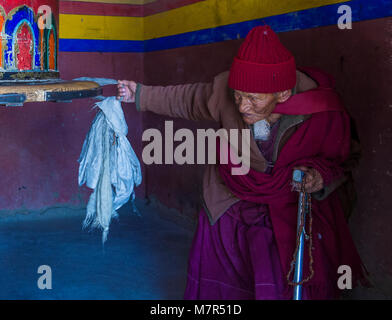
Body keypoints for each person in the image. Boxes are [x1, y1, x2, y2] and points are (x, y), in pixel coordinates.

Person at [117, 25, 368, 300]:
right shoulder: (226, 93)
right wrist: (139, 94)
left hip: (290, 201)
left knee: (279, 263)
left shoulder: (321, 110)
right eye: (238, 95)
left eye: (253, 98)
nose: (242, 106)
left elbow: (344, 158)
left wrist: (319, 176)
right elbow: (189, 99)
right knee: (221, 256)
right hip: (234, 191)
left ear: (282, 94)